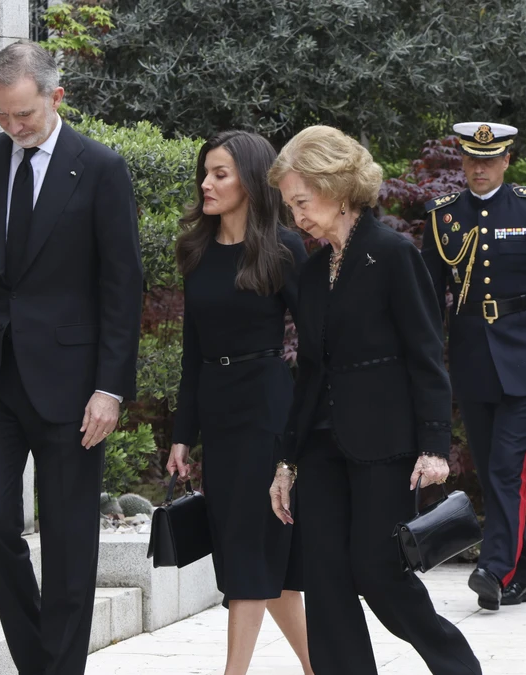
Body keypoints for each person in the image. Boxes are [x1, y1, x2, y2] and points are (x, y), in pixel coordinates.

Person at [0, 42, 142, 673]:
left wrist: (110, 387)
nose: (13, 127)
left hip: (74, 390)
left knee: (70, 543)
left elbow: (121, 287)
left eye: (22, 114)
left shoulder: (100, 168)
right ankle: (41, 661)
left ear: (56, 96)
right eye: (1, 115)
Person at [267, 125, 482, 675]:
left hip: (385, 443)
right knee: (326, 578)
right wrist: (287, 461)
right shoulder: (314, 271)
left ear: (336, 187)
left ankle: (458, 666)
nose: (297, 217)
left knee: (378, 571)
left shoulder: (392, 254)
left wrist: (435, 445)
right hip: (321, 445)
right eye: (290, 206)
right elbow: (310, 373)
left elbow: (426, 355)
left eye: (302, 201)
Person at [164, 131, 312, 675]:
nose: (206, 183)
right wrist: (183, 433)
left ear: (249, 181)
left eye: (220, 174)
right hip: (220, 415)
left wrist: (306, 425)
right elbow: (192, 350)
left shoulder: (283, 248)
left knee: (251, 556)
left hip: (267, 410)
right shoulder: (197, 250)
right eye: (205, 172)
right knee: (255, 559)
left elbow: (318, 341)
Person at [420, 122, 526, 611]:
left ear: (507, 160)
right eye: (471, 159)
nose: (479, 168)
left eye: (489, 160)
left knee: (507, 469)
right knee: (495, 472)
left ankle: (494, 568)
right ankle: (525, 573)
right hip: (471, 360)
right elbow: (429, 298)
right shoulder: (444, 216)